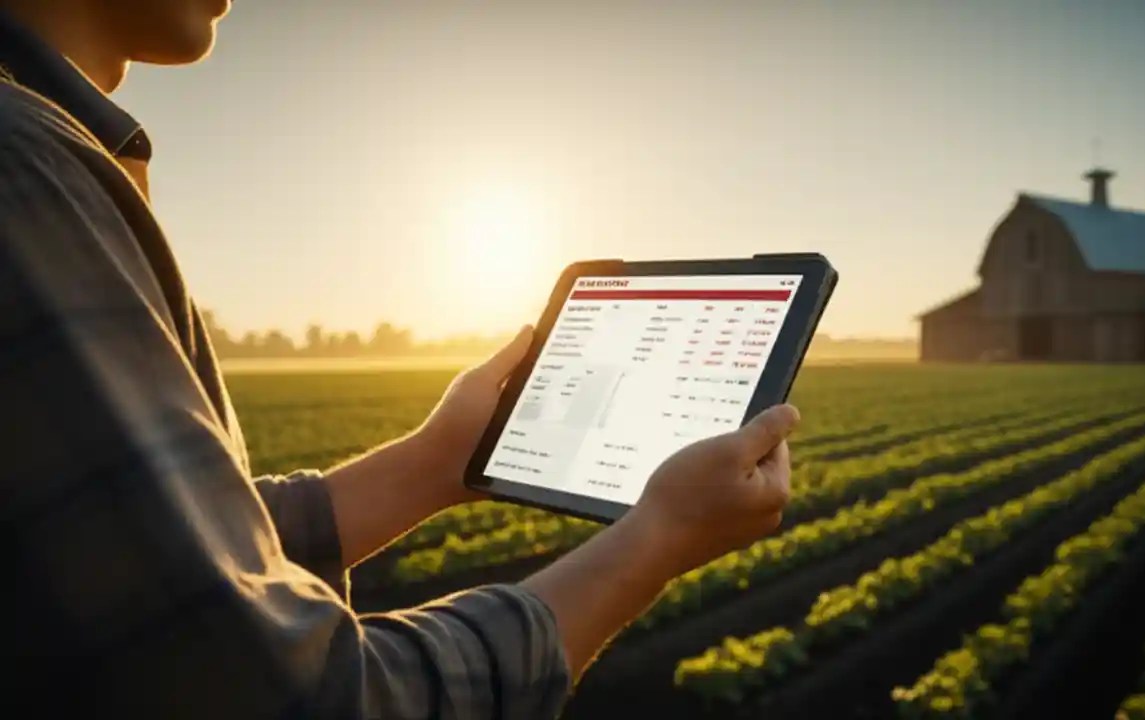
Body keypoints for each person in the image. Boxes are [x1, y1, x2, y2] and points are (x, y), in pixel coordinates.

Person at [0, 1, 801, 717]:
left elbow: (155, 562)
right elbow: (284, 699)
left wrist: (435, 462)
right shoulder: (25, 167)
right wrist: (657, 538)